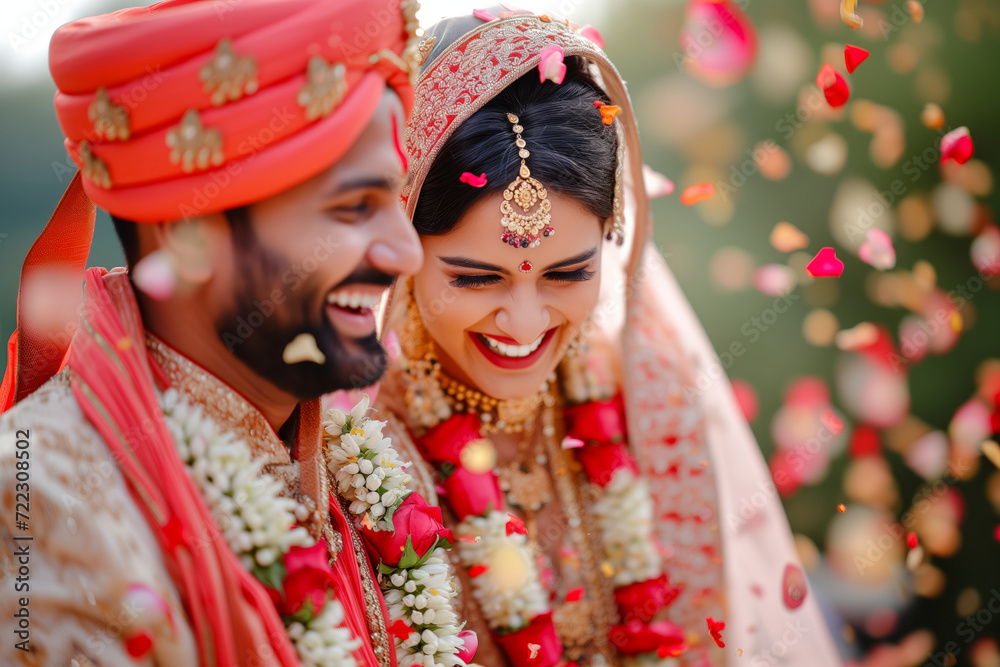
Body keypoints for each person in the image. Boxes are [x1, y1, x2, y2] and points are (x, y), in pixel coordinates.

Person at [371, 9, 845, 667]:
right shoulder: (362, 455)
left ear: (611, 243)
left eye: (569, 273)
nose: (527, 322)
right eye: (479, 278)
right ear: (404, 249)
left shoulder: (648, 401)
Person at [0, 0, 425, 664]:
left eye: (393, 203)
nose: (407, 253)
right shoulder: (38, 508)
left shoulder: (356, 472)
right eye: (353, 208)